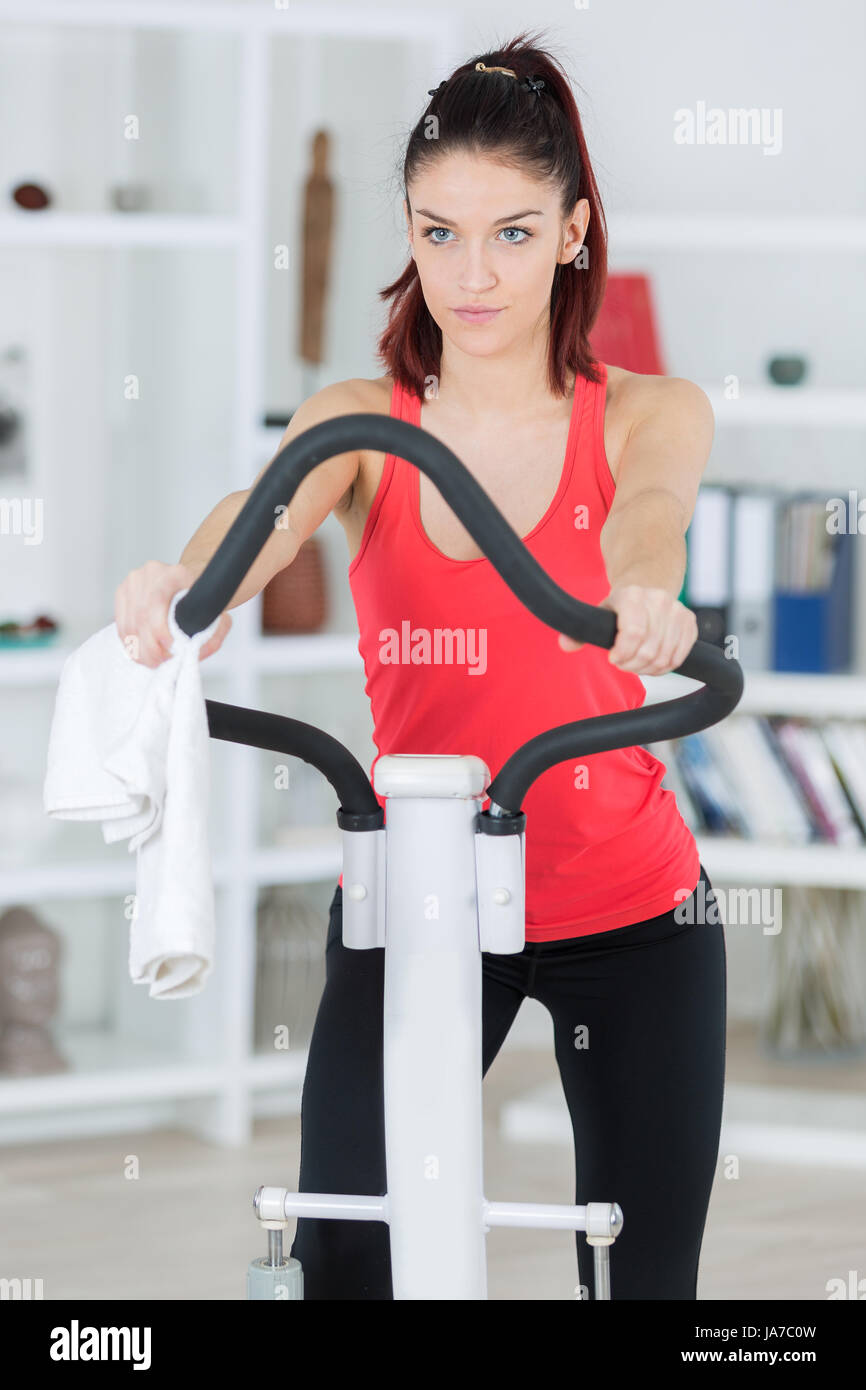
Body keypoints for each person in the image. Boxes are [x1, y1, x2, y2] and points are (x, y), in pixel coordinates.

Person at [115, 31, 725, 1301]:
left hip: (633, 910)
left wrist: (642, 589)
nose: (471, 272)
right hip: (419, 897)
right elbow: (260, 509)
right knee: (349, 1251)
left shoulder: (644, 411)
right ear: (406, 228)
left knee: (640, 1283)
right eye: (437, 232)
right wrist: (185, 588)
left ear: (571, 230)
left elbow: (648, 508)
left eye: (510, 232)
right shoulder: (359, 422)